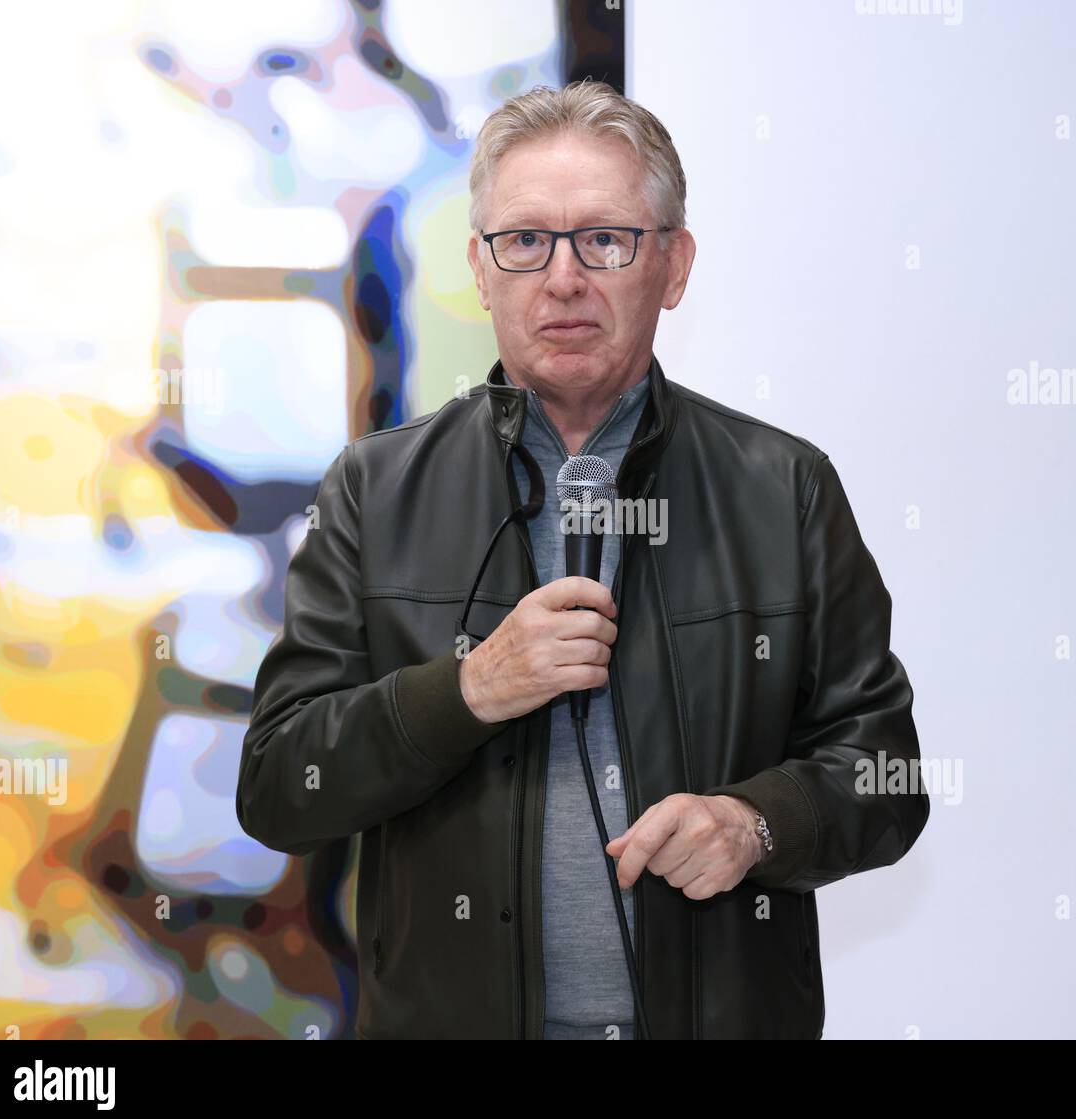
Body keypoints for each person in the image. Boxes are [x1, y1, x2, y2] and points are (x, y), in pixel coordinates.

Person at [236, 78, 929, 1040]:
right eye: (523, 242)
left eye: (605, 240)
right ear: (480, 271)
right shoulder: (371, 490)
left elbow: (887, 773)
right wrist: (468, 690)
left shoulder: (786, 489)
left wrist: (757, 823)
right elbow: (277, 787)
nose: (563, 279)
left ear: (674, 265)